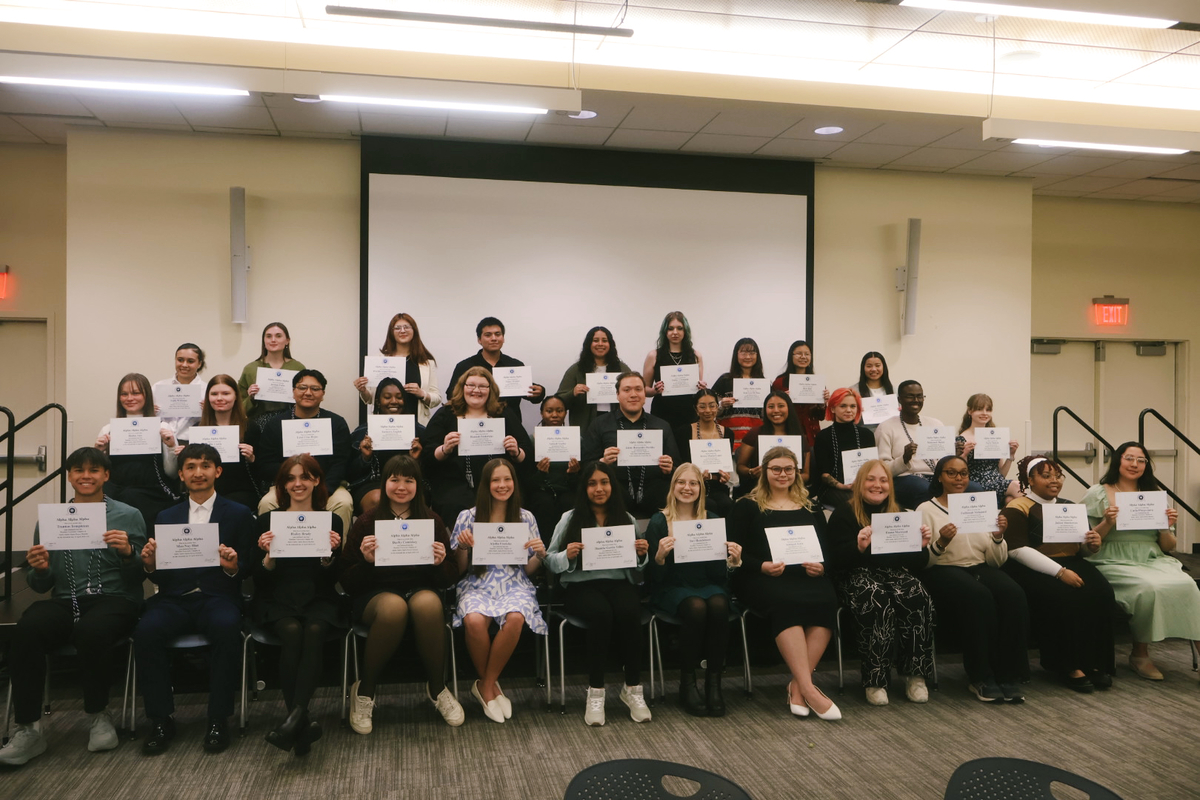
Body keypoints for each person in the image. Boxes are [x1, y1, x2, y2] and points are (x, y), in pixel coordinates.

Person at [0, 448, 147, 766]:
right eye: (78, 470)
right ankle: (28, 729)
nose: (86, 476)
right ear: (69, 476)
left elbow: (139, 576)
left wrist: (128, 554)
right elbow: (41, 585)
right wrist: (40, 569)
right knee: (28, 629)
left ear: (106, 476)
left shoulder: (128, 515)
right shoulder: (52, 519)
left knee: (92, 630)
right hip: (65, 600)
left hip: (115, 599)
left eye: (94, 470)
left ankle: (99, 715)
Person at [134, 443, 256, 755]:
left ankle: (218, 719)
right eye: (190, 467)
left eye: (205, 466)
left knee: (227, 627)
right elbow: (160, 577)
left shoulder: (239, 513)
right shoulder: (166, 516)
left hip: (218, 597)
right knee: (146, 630)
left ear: (218, 471)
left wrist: (233, 567)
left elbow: (248, 568)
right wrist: (150, 565)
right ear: (181, 475)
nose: (198, 472)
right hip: (174, 599)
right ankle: (161, 719)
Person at [337, 455, 464, 732]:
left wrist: (440, 563)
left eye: (409, 480)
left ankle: (438, 687)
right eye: (395, 480)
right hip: (375, 594)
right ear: (384, 483)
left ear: (419, 485)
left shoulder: (431, 520)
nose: (402, 487)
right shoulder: (367, 521)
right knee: (394, 607)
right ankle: (365, 690)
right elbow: (346, 580)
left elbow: (450, 578)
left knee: (429, 603)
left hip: (420, 589)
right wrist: (366, 562)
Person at [728, 446, 841, 721]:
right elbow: (733, 551)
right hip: (760, 578)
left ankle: (798, 686)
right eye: (776, 469)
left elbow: (827, 550)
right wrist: (761, 566)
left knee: (827, 599)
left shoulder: (810, 506)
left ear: (797, 472)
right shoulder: (746, 506)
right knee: (785, 602)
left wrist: (821, 566)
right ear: (765, 471)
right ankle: (810, 690)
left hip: (805, 576)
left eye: (789, 469)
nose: (783, 474)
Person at [546, 461, 653, 726]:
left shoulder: (626, 519)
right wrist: (567, 556)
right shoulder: (569, 518)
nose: (599, 489)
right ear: (584, 488)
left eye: (604, 482)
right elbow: (549, 560)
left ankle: (633, 688)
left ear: (612, 486)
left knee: (630, 610)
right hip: (580, 585)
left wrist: (642, 554)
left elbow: (639, 567)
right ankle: (595, 691)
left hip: (618, 583)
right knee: (601, 613)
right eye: (592, 483)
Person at [1083, 442, 1200, 680]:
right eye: (1129, 458)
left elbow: (1167, 546)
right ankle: (1140, 654)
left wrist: (1165, 527)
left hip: (1152, 557)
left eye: (1141, 460)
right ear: (1118, 460)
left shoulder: (1154, 496)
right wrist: (1107, 522)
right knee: (1149, 588)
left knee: (1188, 585)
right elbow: (1087, 542)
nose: (1135, 464)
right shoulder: (1098, 493)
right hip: (1112, 558)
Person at [918, 455, 1029, 703]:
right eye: (951, 473)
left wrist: (998, 537)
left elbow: (996, 561)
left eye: (964, 473)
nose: (959, 478)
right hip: (943, 569)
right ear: (939, 477)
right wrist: (941, 542)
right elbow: (923, 562)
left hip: (979, 566)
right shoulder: (926, 509)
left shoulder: (980, 506)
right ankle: (981, 676)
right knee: (978, 597)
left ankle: (1007, 674)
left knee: (1013, 594)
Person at [254, 455, 344, 755]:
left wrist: (328, 556)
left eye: (305, 477)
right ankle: (301, 722)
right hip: (278, 597)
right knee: (292, 631)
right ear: (282, 485)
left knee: (315, 630)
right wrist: (268, 557)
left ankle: (293, 722)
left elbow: (335, 577)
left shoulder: (332, 521)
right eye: (290, 478)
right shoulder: (267, 521)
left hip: (319, 596)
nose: (298, 484)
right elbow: (258, 578)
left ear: (316, 481)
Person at [1001, 456, 1114, 692]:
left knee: (1101, 592)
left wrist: (1092, 545)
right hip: (1033, 567)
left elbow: (1081, 549)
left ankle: (1094, 662)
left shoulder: (1069, 506)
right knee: (1063, 597)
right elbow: (1016, 550)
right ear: (1030, 480)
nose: (1054, 480)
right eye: (1046, 476)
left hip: (1070, 562)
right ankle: (1068, 666)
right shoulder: (1018, 507)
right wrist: (1059, 572)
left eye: (1058, 476)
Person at [825, 460, 935, 706]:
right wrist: (858, 547)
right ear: (860, 483)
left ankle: (915, 675)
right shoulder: (843, 513)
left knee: (916, 593)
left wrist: (921, 547)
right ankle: (875, 679)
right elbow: (835, 561)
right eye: (871, 479)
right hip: (853, 573)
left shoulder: (901, 514)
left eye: (883, 480)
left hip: (891, 573)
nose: (877, 485)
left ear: (890, 485)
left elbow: (918, 564)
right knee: (875, 598)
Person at [449, 459, 547, 723]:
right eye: (495, 480)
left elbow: (528, 569)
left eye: (507, 479)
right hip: (477, 582)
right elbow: (459, 569)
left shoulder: (526, 517)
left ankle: (485, 685)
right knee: (473, 620)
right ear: (485, 484)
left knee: (515, 617)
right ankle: (491, 688)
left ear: (514, 482)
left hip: (515, 583)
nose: (502, 485)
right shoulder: (467, 517)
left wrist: (540, 555)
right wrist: (463, 547)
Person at [645, 463, 742, 717]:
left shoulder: (712, 520)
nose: (687, 488)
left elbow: (718, 576)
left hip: (706, 583)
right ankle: (687, 683)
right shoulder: (659, 521)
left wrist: (732, 562)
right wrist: (659, 557)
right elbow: (655, 579)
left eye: (693, 483)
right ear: (673, 486)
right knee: (696, 606)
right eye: (681, 482)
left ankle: (714, 683)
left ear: (701, 488)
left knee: (719, 603)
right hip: (672, 587)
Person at [420, 366, 532, 526]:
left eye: (482, 386)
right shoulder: (446, 413)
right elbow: (427, 455)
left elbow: (527, 453)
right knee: (454, 505)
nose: (476, 390)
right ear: (462, 387)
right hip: (456, 483)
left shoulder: (503, 413)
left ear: (491, 389)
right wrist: (445, 449)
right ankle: (463, 543)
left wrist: (516, 451)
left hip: (498, 482)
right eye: (471, 385)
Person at [247, 369, 354, 532]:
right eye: (302, 387)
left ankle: (337, 549)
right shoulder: (275, 424)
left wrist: (325, 490)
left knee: (343, 503)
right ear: (293, 391)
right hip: (287, 485)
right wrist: (291, 476)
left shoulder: (336, 423)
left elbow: (341, 463)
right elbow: (266, 464)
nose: (308, 393)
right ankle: (269, 549)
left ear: (323, 394)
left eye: (315, 389)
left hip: (326, 485)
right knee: (267, 503)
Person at [580, 371, 680, 519]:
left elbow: (678, 468)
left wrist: (670, 469)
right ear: (617, 395)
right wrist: (602, 462)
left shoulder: (662, 425)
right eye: (627, 390)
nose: (633, 394)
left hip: (655, 490)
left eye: (638, 389)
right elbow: (585, 467)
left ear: (645, 394)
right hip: (615, 489)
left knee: (672, 494)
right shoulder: (600, 424)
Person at [94, 372, 181, 533]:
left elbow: (172, 473)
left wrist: (170, 446)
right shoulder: (108, 429)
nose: (129, 398)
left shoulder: (163, 428)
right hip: (116, 493)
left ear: (146, 396)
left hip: (153, 493)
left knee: (133, 497)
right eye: (124, 394)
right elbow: (99, 473)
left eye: (136, 393)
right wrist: (99, 452)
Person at [347, 377, 425, 517]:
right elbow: (350, 473)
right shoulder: (362, 432)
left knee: (417, 500)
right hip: (372, 482)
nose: (394, 401)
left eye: (399, 397)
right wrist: (365, 458)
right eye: (387, 397)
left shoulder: (419, 431)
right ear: (378, 401)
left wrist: (416, 460)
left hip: (409, 481)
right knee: (377, 499)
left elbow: (431, 470)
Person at [447, 317, 545, 421]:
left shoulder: (515, 365)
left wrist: (539, 392)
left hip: (510, 423)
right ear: (479, 340)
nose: (494, 338)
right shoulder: (465, 366)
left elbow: (529, 393)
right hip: (476, 423)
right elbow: (451, 395)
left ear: (503, 338)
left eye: (498, 334)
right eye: (488, 335)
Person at [352, 312, 441, 425]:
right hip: (385, 425)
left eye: (406, 327)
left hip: (417, 424)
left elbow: (437, 398)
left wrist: (422, 393)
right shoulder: (379, 360)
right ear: (391, 332)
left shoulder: (426, 363)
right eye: (397, 328)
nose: (402, 331)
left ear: (414, 330)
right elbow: (370, 399)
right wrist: (363, 390)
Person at [876, 380, 945, 510]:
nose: (916, 400)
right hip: (904, 479)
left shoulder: (935, 424)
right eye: (910, 396)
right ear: (899, 399)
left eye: (919, 396)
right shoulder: (885, 427)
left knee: (973, 488)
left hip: (936, 477)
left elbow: (944, 461)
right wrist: (904, 458)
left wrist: (955, 454)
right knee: (925, 489)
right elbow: (882, 470)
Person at [197, 374, 259, 510]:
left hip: (241, 492)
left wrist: (252, 459)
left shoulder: (250, 428)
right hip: (205, 491)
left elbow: (261, 470)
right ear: (207, 397)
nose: (219, 398)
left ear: (236, 396)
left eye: (226, 393)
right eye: (214, 394)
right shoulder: (198, 429)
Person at [554, 325, 632, 432]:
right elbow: (558, 401)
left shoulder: (622, 368)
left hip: (616, 423)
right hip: (586, 426)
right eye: (595, 340)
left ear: (610, 344)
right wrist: (573, 392)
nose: (600, 344)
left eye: (604, 340)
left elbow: (633, 393)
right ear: (589, 344)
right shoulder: (576, 369)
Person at [526, 395, 580, 544]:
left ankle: (568, 549)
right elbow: (527, 481)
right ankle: (543, 551)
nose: (555, 415)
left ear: (565, 413)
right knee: (544, 503)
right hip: (542, 491)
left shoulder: (576, 440)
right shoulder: (531, 440)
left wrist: (574, 473)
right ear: (541, 413)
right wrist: (540, 473)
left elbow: (581, 480)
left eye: (559, 411)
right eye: (549, 411)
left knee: (569, 502)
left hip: (567, 490)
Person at [674, 389, 735, 517]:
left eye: (712, 406)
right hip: (691, 486)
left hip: (717, 486)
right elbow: (679, 465)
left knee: (727, 504)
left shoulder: (728, 433)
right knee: (708, 505)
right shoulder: (684, 432)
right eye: (702, 406)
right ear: (696, 409)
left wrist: (725, 476)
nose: (708, 410)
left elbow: (725, 466)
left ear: (717, 407)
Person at [735, 391, 808, 498]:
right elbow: (740, 467)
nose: (776, 410)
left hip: (792, 491)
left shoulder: (799, 436)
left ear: (789, 408)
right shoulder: (754, 434)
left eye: (781, 406)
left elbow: (806, 475)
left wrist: (789, 476)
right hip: (760, 490)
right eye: (771, 407)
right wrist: (751, 472)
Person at [811, 388, 876, 508]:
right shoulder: (823, 436)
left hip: (863, 486)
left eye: (853, 406)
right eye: (843, 406)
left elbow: (872, 467)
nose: (849, 410)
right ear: (832, 409)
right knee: (857, 504)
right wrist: (843, 486)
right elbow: (824, 474)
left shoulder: (866, 435)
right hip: (832, 488)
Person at [641, 311, 705, 433]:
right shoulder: (654, 355)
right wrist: (655, 390)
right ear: (665, 331)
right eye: (670, 328)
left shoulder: (696, 356)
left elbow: (698, 389)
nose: (675, 332)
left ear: (685, 331)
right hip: (662, 413)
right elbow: (644, 390)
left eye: (679, 328)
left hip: (689, 414)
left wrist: (701, 387)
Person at [956, 393, 1020, 506]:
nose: (984, 413)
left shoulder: (995, 437)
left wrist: (1010, 455)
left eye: (988, 410)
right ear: (970, 411)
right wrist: (964, 454)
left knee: (1010, 500)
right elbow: (960, 474)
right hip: (976, 484)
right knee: (1017, 486)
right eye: (979, 409)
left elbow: (1002, 474)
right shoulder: (962, 439)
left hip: (997, 482)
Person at [238, 321, 305, 421]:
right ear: (264, 341)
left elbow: (306, 401)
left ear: (287, 341)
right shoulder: (251, 369)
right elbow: (238, 408)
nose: (273, 340)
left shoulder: (298, 368)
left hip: (290, 422)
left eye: (278, 336)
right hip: (258, 424)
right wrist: (251, 398)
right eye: (269, 336)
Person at [711, 337, 766, 447]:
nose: (748, 357)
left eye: (752, 353)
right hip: (728, 438)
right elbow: (710, 411)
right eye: (743, 352)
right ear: (736, 355)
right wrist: (722, 405)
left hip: (755, 440)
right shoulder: (724, 381)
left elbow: (766, 415)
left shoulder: (764, 383)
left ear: (757, 355)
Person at [770, 339, 826, 447]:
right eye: (799, 353)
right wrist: (783, 401)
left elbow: (821, 416)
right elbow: (772, 411)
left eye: (807, 354)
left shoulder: (816, 382)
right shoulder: (780, 383)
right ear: (791, 356)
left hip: (811, 435)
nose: (803, 357)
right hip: (788, 432)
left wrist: (823, 402)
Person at [153, 342, 206, 443]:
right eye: (180, 360)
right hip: (161, 441)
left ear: (199, 364)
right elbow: (147, 418)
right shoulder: (158, 387)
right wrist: (150, 412)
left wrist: (208, 411)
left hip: (192, 443)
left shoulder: (207, 390)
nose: (184, 365)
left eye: (190, 361)